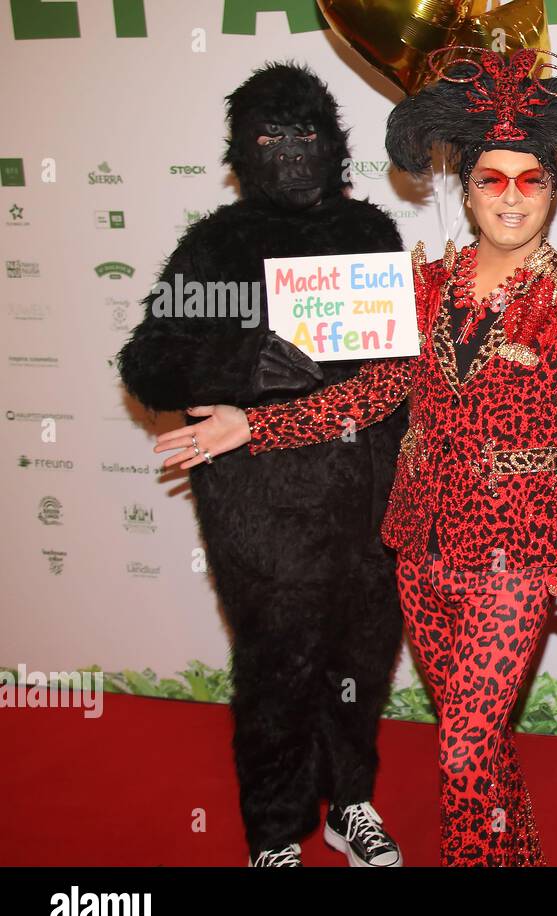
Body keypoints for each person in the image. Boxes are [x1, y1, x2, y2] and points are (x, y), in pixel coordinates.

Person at [151, 47, 557, 867]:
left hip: (512, 559)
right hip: (419, 550)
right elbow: (367, 396)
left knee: (458, 754)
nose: (513, 198)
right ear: (466, 189)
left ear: (555, 191)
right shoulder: (421, 289)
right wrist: (255, 426)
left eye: (532, 180)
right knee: (477, 744)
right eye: (493, 179)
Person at [117, 64, 406, 868]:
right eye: (269, 136)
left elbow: (401, 366)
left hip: (368, 501)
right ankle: (274, 833)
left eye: (306, 134)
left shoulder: (372, 233)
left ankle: (351, 804)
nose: (289, 153)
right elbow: (148, 364)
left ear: (335, 145)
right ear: (241, 149)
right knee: (278, 671)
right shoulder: (216, 245)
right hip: (263, 512)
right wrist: (245, 361)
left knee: (360, 665)